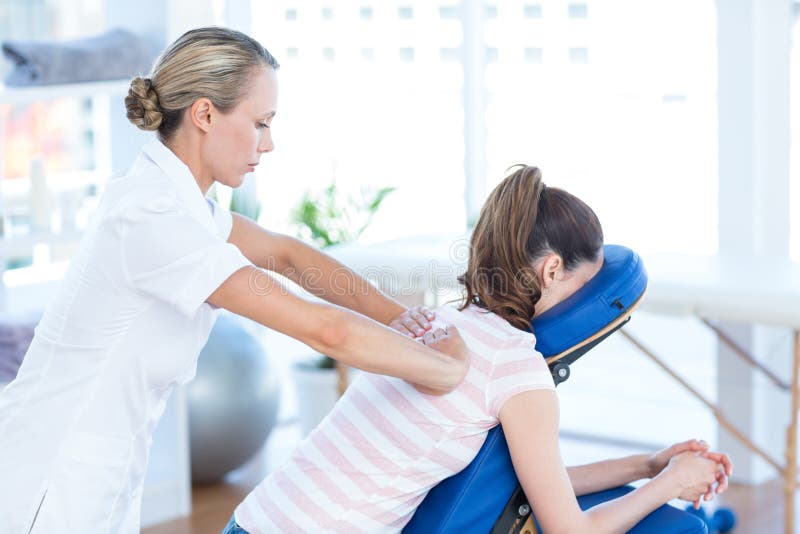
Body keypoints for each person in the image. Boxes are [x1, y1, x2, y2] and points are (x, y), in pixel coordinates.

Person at [0, 27, 469, 533]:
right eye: (260, 123)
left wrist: (404, 319)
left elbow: (288, 257)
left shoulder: (182, 205)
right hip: (49, 477)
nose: (269, 143)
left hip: (96, 470)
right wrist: (446, 371)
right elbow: (324, 330)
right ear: (204, 114)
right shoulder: (153, 218)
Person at [226, 165, 733, 534]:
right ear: (552, 270)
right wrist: (670, 486)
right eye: (587, 283)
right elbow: (570, 530)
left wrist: (649, 466)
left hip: (252, 519)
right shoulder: (518, 371)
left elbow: (524, 484)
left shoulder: (438, 323)